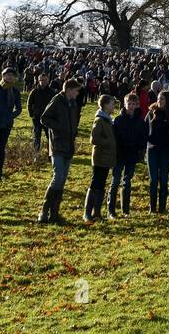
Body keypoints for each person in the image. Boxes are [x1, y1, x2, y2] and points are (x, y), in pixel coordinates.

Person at [37, 77, 83, 225]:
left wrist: (73, 132)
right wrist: (59, 128)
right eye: (76, 91)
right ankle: (44, 211)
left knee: (62, 180)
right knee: (58, 177)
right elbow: (44, 118)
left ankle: (54, 213)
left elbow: (74, 122)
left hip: (69, 145)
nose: (77, 94)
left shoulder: (73, 104)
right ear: (69, 90)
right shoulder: (57, 101)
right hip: (57, 145)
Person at [109, 92, 148, 217]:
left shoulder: (140, 121)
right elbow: (114, 137)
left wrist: (140, 149)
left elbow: (143, 136)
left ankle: (125, 210)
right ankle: (111, 210)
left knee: (127, 182)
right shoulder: (118, 120)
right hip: (119, 154)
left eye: (133, 104)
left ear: (137, 105)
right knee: (115, 182)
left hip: (132, 155)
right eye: (128, 104)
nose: (131, 106)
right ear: (124, 104)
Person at [85, 94, 118, 223]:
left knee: (101, 184)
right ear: (105, 105)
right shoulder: (100, 120)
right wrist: (109, 142)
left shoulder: (108, 120)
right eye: (111, 104)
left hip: (106, 158)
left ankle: (97, 213)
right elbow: (94, 139)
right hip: (100, 157)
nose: (113, 106)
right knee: (95, 183)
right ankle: (87, 213)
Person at [146, 91, 169, 213]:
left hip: (165, 150)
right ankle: (152, 207)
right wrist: (147, 141)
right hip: (152, 149)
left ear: (167, 101)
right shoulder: (151, 112)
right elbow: (145, 128)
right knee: (153, 179)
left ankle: (162, 207)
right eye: (158, 98)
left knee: (163, 179)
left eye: (162, 99)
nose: (159, 101)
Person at [27, 72, 54, 160]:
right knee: (37, 137)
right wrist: (31, 114)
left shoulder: (52, 92)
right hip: (37, 117)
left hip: (48, 118)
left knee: (49, 137)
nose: (43, 82)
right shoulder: (34, 91)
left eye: (45, 80)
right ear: (38, 81)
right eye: (41, 80)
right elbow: (29, 103)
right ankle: (36, 155)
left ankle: (51, 155)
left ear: (48, 80)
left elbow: (55, 105)